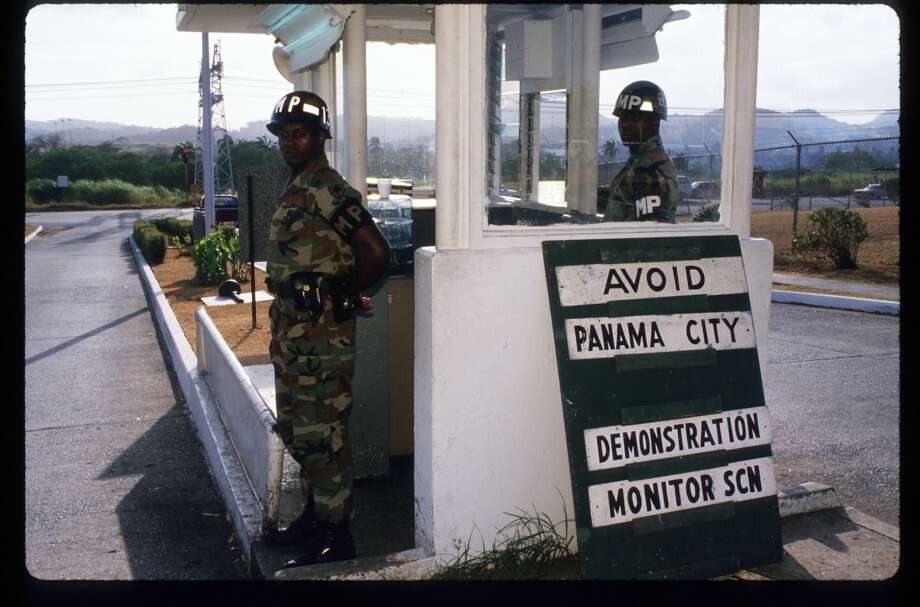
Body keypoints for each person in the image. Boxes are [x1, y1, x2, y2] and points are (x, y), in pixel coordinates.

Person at [262, 90, 391, 569]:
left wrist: (338, 293)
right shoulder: (297, 185)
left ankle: (337, 537)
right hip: (291, 331)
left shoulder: (328, 189)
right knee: (298, 430)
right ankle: (316, 519)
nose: (289, 142)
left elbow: (377, 253)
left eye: (300, 133)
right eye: (283, 134)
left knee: (322, 434)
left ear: (320, 137)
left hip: (320, 338)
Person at [603, 81, 679, 223]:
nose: (625, 125)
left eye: (634, 118)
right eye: (623, 118)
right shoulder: (640, 161)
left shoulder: (649, 171)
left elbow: (650, 235)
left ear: (654, 122)